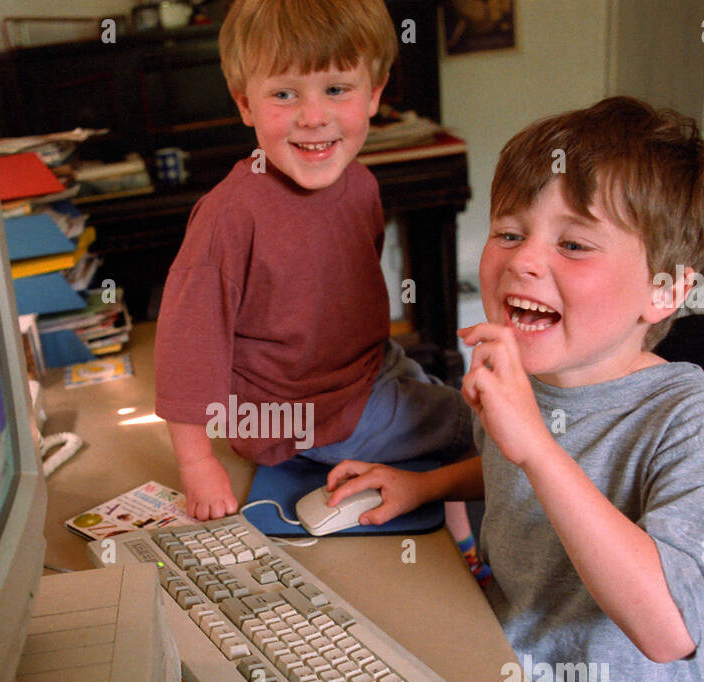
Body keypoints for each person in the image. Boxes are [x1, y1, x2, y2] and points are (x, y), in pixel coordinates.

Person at [324, 97, 704, 682]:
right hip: (508, 673)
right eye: (510, 232)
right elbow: (507, 470)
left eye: (576, 244)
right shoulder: (529, 373)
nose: (524, 259)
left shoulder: (698, 419)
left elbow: (668, 626)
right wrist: (427, 484)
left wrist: (538, 448)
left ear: (666, 288)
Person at [154, 0, 472, 521]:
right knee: (481, 427)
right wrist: (196, 464)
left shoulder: (362, 183)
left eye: (336, 90)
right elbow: (185, 351)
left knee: (445, 397)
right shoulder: (229, 216)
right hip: (298, 415)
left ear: (374, 93)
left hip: (364, 369)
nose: (314, 117)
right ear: (245, 105)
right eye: (284, 94)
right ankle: (469, 550)